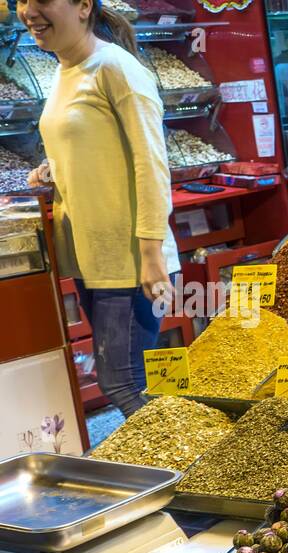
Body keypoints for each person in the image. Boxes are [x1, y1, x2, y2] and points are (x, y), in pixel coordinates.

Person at [20, 0, 179, 418]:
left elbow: (152, 164)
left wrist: (151, 255)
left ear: (83, 6)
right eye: (21, 1)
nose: (29, 11)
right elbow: (92, 146)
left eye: (42, 0)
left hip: (131, 261)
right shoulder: (65, 69)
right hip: (93, 258)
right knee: (127, 381)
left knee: (123, 383)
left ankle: (191, 456)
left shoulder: (116, 68)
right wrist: (53, 169)